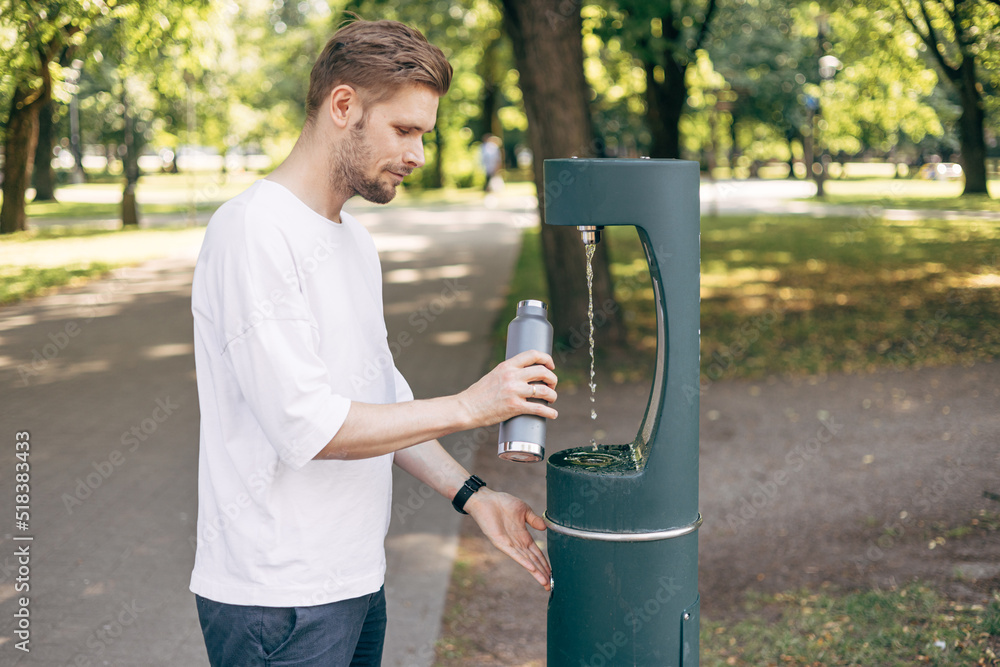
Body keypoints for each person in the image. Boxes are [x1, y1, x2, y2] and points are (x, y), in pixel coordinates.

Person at [188, 18, 557, 667]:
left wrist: (473, 494)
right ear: (343, 106)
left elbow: (384, 399)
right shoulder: (252, 232)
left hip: (356, 580)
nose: (418, 153)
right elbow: (311, 429)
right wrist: (473, 405)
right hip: (279, 601)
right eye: (405, 130)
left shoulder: (353, 240)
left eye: (424, 134)